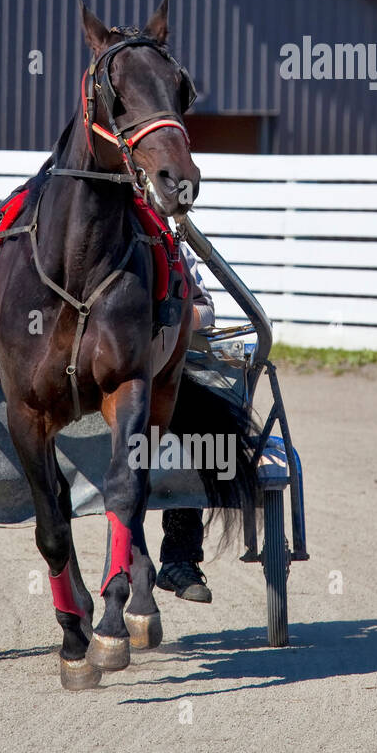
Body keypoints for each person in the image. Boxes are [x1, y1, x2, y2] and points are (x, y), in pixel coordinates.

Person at [156, 243, 216, 603]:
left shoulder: (167, 240)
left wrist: (172, 319)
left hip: (159, 377)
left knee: (190, 433)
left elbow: (206, 309)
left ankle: (179, 558)